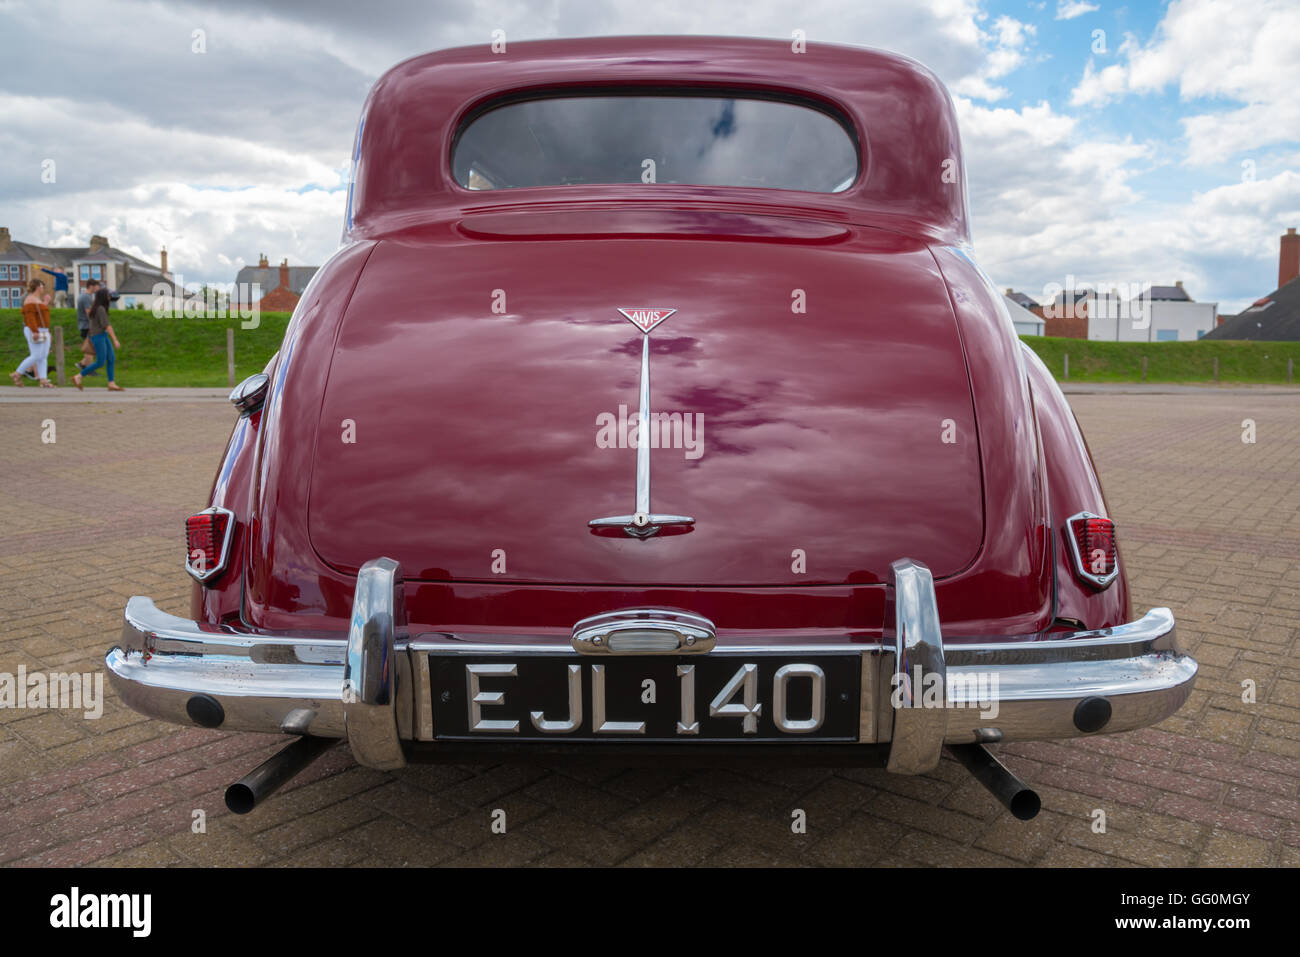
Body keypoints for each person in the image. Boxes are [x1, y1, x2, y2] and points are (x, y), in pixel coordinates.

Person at [73, 287, 123, 391]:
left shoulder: (98, 307)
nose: (109, 297)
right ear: (103, 297)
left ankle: (111, 383)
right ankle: (78, 376)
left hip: (102, 336)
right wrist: (115, 340)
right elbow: (107, 326)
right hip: (98, 337)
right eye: (108, 295)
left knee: (111, 359)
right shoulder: (100, 309)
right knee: (100, 362)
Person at [10, 279, 55, 388]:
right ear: (38, 287)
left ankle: (43, 380)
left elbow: (40, 315)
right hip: (35, 329)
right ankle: (17, 373)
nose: (43, 288)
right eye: (42, 286)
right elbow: (30, 317)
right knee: (36, 355)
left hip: (42, 329)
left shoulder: (36, 299)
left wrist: (45, 303)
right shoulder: (30, 299)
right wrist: (34, 331)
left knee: (43, 356)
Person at [75, 278, 99, 367]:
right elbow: (89, 313)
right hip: (87, 325)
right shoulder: (86, 297)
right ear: (91, 286)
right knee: (90, 348)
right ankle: (89, 368)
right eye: (96, 287)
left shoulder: (84, 296)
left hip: (84, 325)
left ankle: (82, 364)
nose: (97, 289)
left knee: (90, 347)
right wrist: (93, 325)